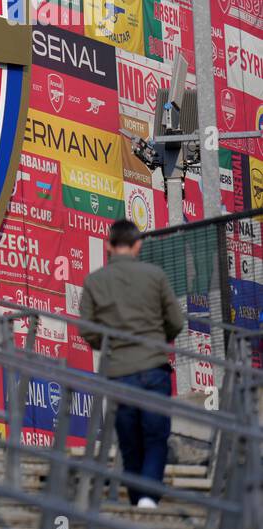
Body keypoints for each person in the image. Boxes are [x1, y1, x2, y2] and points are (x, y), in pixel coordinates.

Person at [78, 218, 185, 509]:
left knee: (129, 440)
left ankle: (140, 497)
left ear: (108, 246)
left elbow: (86, 329)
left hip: (118, 371)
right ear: (138, 244)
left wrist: (108, 345)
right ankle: (147, 496)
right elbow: (176, 320)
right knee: (155, 435)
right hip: (153, 367)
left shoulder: (94, 281)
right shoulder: (155, 275)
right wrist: (160, 339)